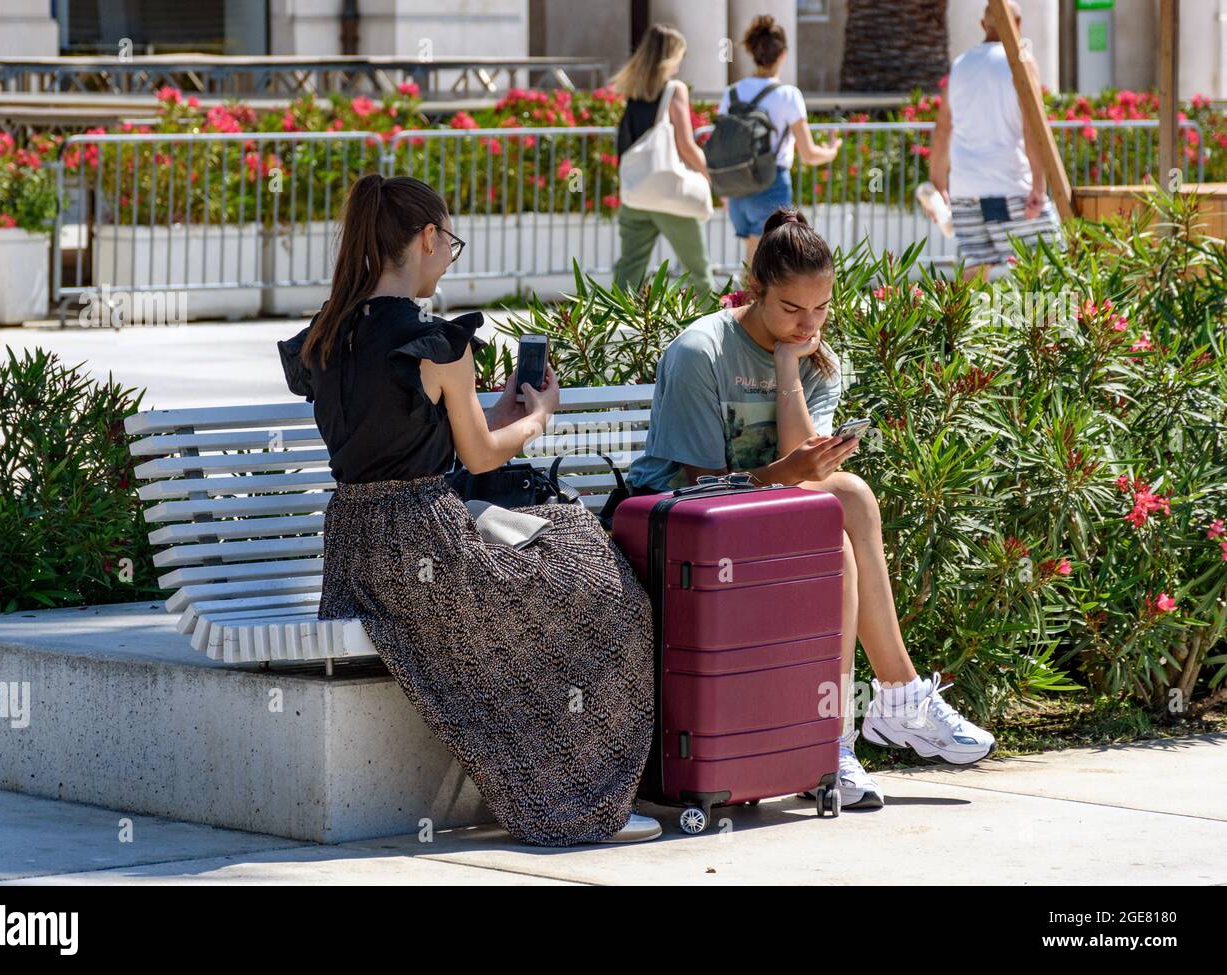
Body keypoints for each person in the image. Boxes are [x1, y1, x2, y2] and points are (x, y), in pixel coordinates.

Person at [284, 173, 662, 846]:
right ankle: (577, 800)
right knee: (610, 593)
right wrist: (538, 416)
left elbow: (420, 440)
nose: (448, 257)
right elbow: (483, 458)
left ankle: (555, 782)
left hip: (352, 555)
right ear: (427, 238)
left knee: (550, 586)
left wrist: (499, 410)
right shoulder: (438, 341)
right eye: (449, 242)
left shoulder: (327, 335)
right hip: (428, 544)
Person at [623, 208, 997, 809]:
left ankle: (864, 720)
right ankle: (854, 728)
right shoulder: (701, 352)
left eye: (821, 308)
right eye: (792, 310)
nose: (808, 323)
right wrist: (787, 473)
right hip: (679, 526)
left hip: (762, 513)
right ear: (754, 291)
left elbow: (804, 459)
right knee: (842, 511)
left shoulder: (813, 358)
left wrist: (788, 367)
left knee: (847, 502)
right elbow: (699, 489)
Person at [930, 0, 1064, 280]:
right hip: (1007, 185)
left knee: (974, 268)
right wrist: (1038, 186)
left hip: (965, 189)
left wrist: (938, 185)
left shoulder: (961, 64)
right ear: (1017, 25)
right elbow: (1032, 128)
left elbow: (943, 128)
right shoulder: (1021, 61)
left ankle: (958, 325)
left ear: (982, 25)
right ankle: (1043, 323)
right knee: (1048, 266)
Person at [717, 14, 840, 268]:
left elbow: (721, 143)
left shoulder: (732, 93)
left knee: (752, 259)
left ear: (752, 51)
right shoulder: (788, 95)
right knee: (775, 265)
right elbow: (809, 154)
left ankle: (746, 305)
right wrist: (831, 150)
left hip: (738, 187)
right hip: (772, 184)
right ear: (783, 54)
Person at [610, 23, 717, 296]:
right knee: (698, 272)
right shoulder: (674, 89)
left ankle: (609, 334)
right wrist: (713, 177)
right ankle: (716, 336)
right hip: (668, 194)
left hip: (635, 195)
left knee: (628, 272)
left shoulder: (632, 90)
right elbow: (686, 145)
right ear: (671, 55)